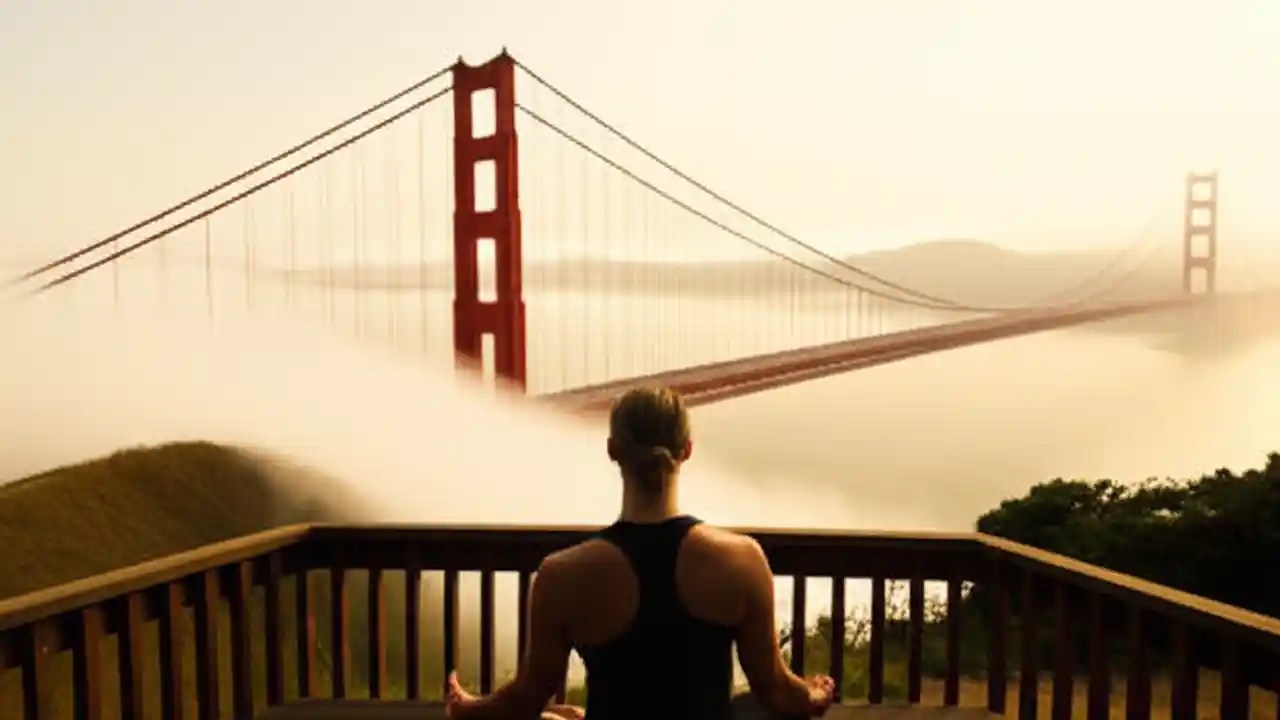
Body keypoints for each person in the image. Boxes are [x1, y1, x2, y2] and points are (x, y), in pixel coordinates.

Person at [446, 386, 835, 719]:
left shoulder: (561, 575)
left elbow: (524, 699)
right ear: (687, 449)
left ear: (613, 450)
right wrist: (815, 694)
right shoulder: (742, 560)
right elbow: (777, 691)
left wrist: (465, 708)